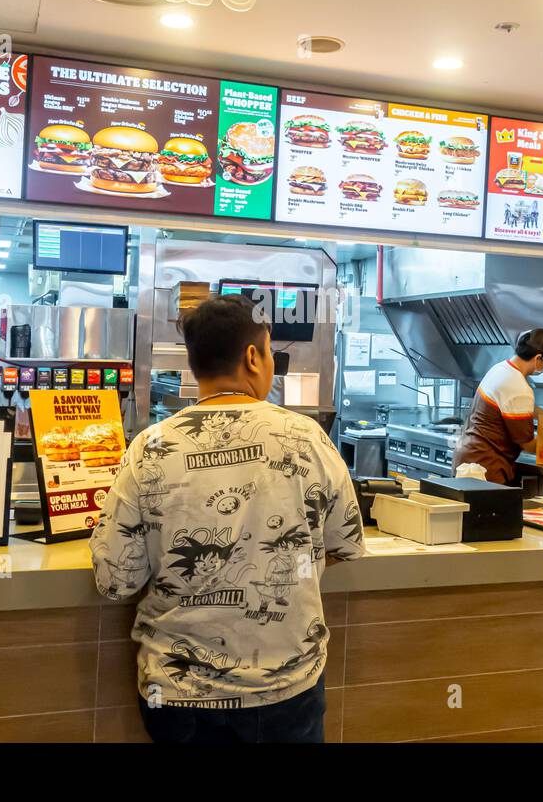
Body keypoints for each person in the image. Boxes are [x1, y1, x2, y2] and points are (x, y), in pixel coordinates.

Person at [91, 293, 366, 743]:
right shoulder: (309, 439)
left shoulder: (149, 448)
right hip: (285, 688)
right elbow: (345, 545)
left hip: (178, 695)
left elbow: (115, 579)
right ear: (253, 357)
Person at [452, 328, 543, 486]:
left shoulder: (501, 369)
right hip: (485, 470)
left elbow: (521, 405)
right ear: (538, 358)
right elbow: (527, 444)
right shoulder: (519, 387)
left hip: (468, 460)